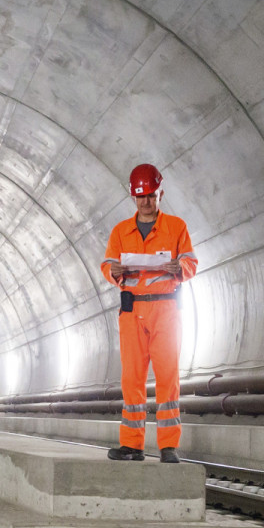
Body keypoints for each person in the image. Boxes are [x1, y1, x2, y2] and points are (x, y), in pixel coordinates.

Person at [101, 163, 197, 462]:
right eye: (141, 196)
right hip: (132, 311)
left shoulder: (176, 227)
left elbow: (191, 263)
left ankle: (168, 446)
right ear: (133, 196)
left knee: (168, 376)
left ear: (160, 194)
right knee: (132, 379)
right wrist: (113, 271)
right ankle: (133, 445)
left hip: (166, 309)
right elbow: (106, 264)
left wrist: (179, 267)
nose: (146, 202)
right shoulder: (120, 231)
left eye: (151, 196)